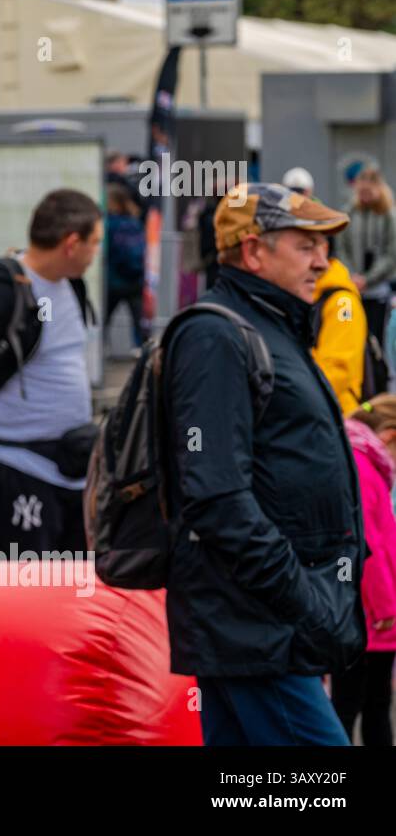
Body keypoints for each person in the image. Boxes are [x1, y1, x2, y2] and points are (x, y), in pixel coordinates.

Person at [164, 182, 364, 746]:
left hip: (266, 626)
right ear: (253, 251)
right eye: (306, 246)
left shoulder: (274, 325)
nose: (324, 262)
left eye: (325, 248)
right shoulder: (216, 335)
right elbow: (215, 495)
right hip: (259, 627)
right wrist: (302, 598)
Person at [0, 189, 102, 554]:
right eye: (94, 243)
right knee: (28, 584)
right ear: (71, 243)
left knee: (73, 584)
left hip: (70, 463)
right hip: (15, 463)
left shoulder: (72, 285)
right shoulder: (1, 292)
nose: (96, 253)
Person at [331, 397, 396, 746]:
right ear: (387, 437)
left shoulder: (355, 463)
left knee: (354, 704)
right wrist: (386, 607)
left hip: (361, 615)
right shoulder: (366, 470)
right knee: (368, 706)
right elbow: (369, 548)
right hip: (372, 620)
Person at [336, 164, 396, 338]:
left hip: (378, 289)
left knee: (376, 337)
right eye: (361, 193)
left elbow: (391, 254)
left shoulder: (388, 216)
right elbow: (342, 248)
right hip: (352, 286)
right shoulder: (349, 213)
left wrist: (367, 279)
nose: (365, 198)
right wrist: (353, 276)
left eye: (368, 193)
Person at [312, 238, 368, 415]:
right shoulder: (312, 294)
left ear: (325, 249)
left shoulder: (343, 302)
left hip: (338, 413)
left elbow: (338, 369)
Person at [104, 182, 146, 348]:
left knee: (103, 321)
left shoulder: (109, 224)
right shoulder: (135, 222)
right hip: (135, 280)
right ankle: (140, 352)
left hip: (114, 280)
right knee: (138, 322)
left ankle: (100, 350)